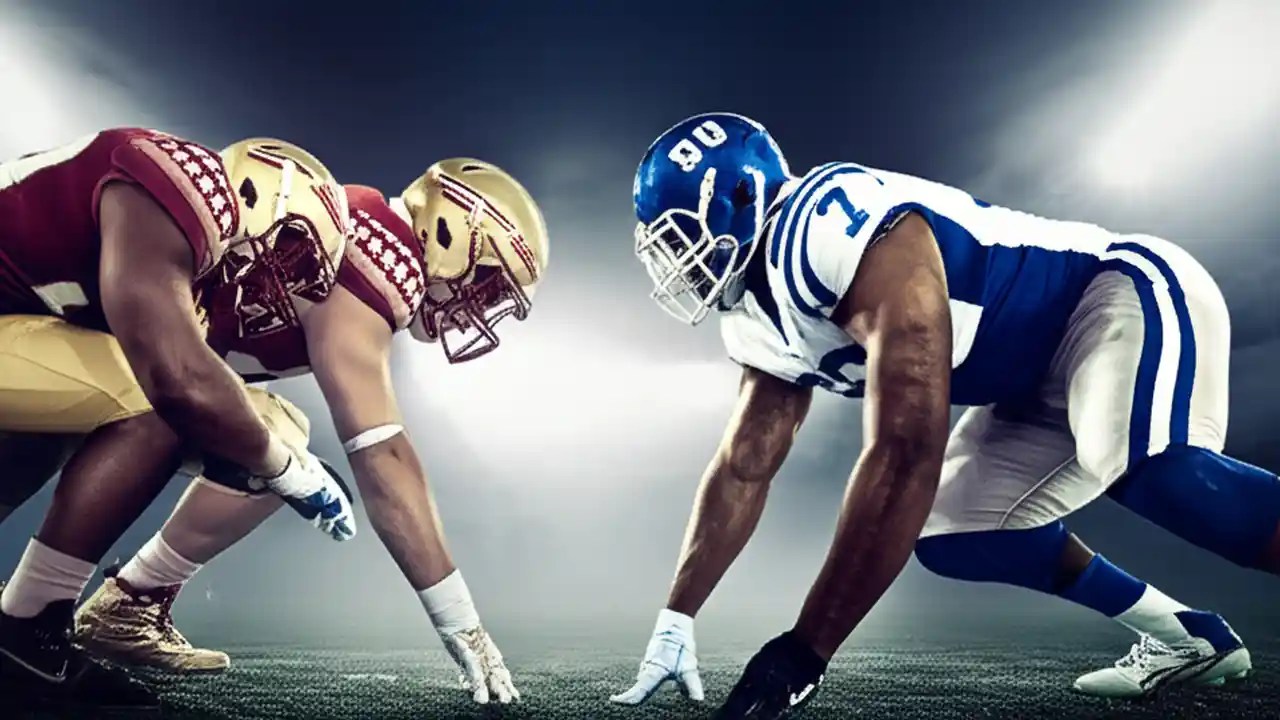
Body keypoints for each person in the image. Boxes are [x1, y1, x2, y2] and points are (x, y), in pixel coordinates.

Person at [612, 113, 1274, 718]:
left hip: (1111, 292)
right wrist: (678, 617)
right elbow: (743, 470)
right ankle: (1188, 637)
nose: (676, 263)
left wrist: (803, 653)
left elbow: (906, 452)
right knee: (955, 532)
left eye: (681, 234)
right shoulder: (755, 315)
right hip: (1027, 385)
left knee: (1143, 462)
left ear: (741, 201)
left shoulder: (830, 229)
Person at [70, 159, 548, 705]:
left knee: (278, 440)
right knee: (279, 445)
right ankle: (40, 613)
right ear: (451, 231)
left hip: (110, 343)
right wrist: (462, 622)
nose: (480, 307)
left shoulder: (362, 225)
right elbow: (382, 457)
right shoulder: (383, 259)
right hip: (80, 333)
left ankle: (128, 603)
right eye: (487, 282)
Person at [0, 130, 353, 711]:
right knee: (166, 392)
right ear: (255, 192)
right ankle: (26, 629)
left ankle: (108, 606)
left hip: (18, 343)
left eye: (300, 273)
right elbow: (176, 383)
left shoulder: (201, 282)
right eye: (291, 250)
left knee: (273, 420)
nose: (284, 280)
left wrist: (275, 454)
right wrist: (287, 470)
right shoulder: (182, 180)